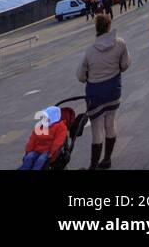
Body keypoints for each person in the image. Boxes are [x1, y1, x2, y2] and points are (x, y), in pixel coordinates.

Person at [76, 13, 129, 169]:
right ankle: (107, 159)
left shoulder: (90, 51)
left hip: (95, 95)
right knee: (110, 124)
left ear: (96, 28)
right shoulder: (120, 44)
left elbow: (80, 76)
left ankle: (93, 166)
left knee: (97, 129)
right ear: (109, 26)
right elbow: (125, 65)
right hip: (113, 90)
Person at [19, 106, 68, 170]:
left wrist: (52, 152)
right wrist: (28, 151)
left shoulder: (60, 127)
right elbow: (33, 139)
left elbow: (58, 142)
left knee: (41, 160)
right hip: (37, 149)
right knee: (29, 157)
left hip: (49, 151)